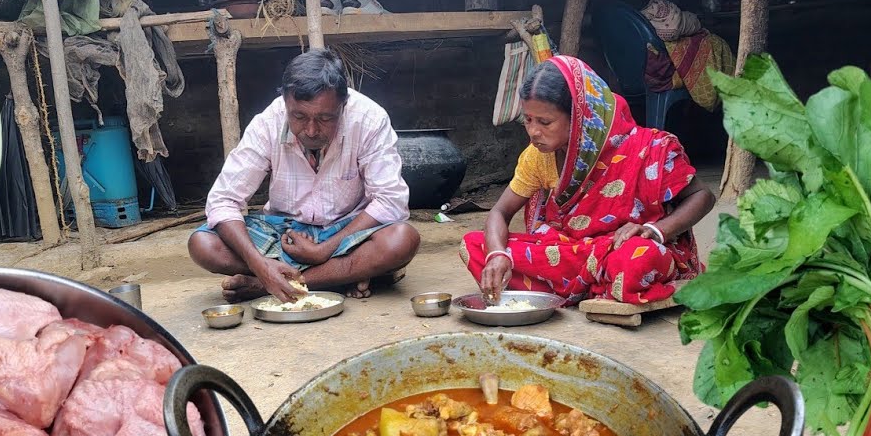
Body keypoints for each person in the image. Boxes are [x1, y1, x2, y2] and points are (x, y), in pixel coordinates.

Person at [460, 55, 715, 306]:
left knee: (634, 262)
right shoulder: (536, 157)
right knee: (475, 244)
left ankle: (583, 285)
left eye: (544, 122)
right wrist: (496, 255)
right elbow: (500, 213)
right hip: (571, 252)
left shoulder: (648, 148)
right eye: (527, 120)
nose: (533, 131)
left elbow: (702, 197)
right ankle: (595, 287)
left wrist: (657, 231)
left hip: (625, 248)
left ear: (579, 116)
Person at [189, 49, 421, 303]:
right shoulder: (268, 122)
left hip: (347, 231)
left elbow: (391, 200)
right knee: (204, 244)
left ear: (343, 106)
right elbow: (223, 201)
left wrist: (324, 250)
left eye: (325, 118)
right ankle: (338, 276)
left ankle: (269, 287)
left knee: (402, 240)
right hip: (283, 233)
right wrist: (260, 265)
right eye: (299, 116)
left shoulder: (369, 119)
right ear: (286, 102)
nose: (311, 130)